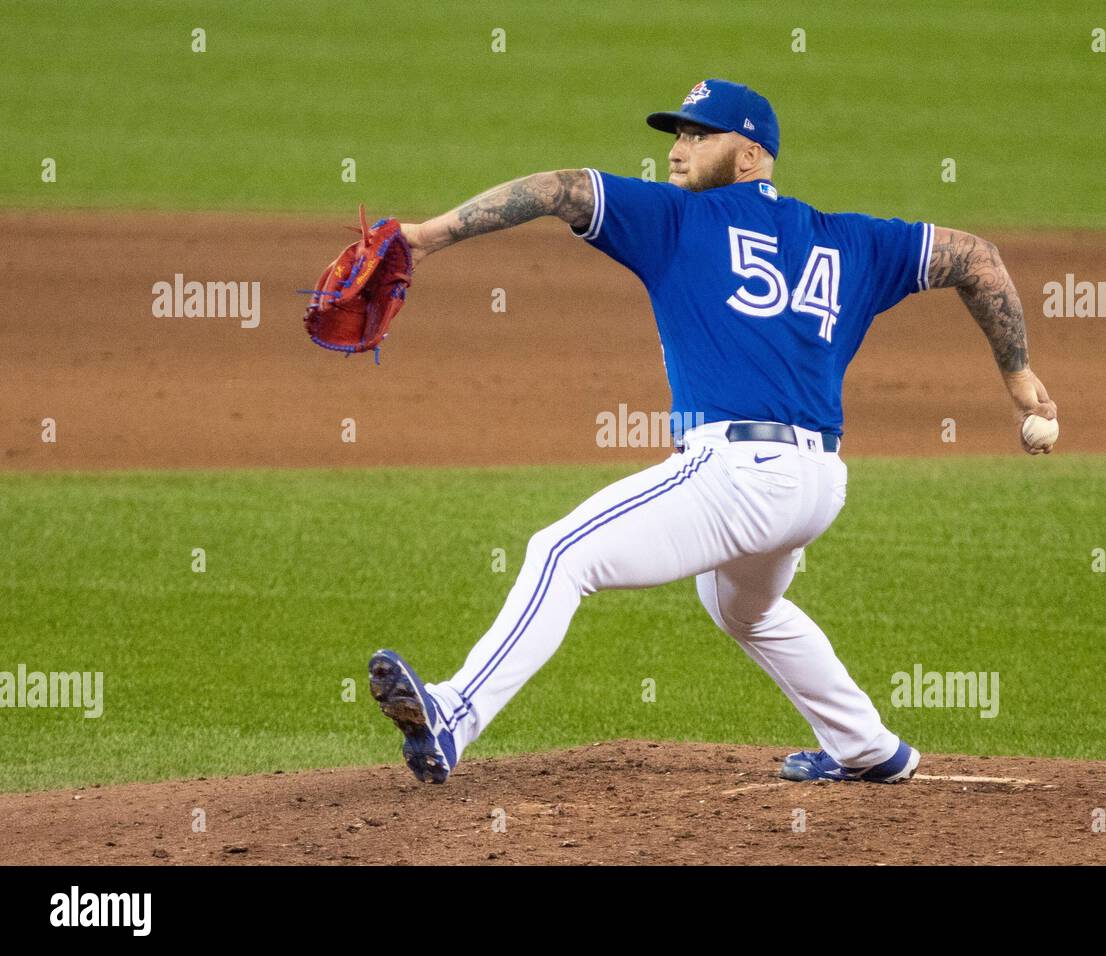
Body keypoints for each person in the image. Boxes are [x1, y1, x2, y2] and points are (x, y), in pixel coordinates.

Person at [367, 78, 1057, 786]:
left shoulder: (675, 222)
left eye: (700, 135)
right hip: (817, 485)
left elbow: (560, 188)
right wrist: (1019, 376)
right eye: (676, 134)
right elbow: (978, 258)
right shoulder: (852, 240)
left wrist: (426, 237)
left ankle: (454, 713)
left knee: (559, 554)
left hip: (740, 475)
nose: (677, 150)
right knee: (742, 607)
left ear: (752, 153)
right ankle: (867, 747)